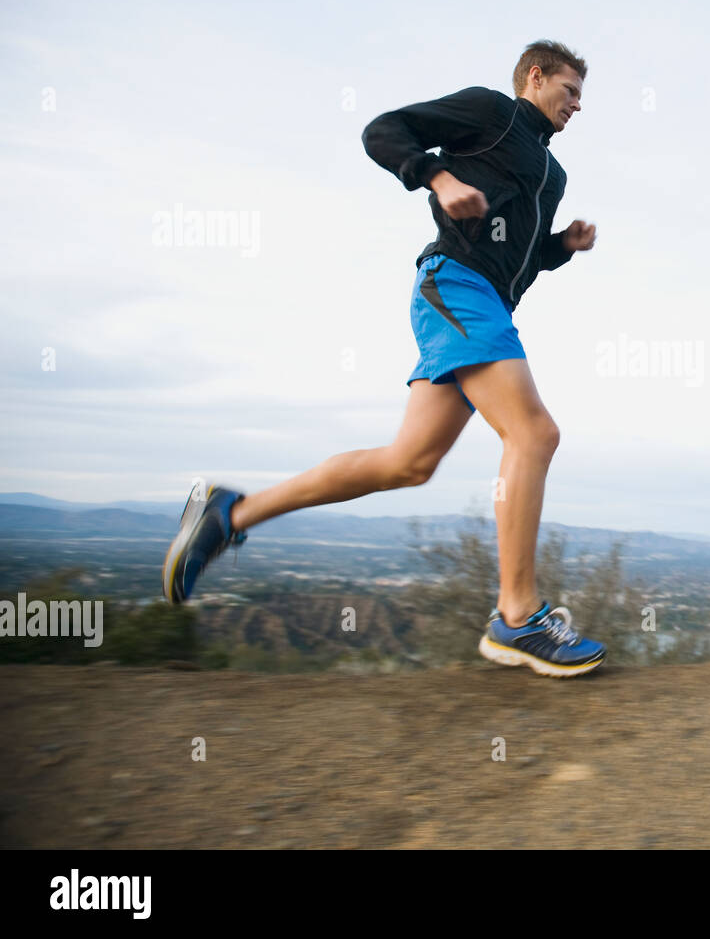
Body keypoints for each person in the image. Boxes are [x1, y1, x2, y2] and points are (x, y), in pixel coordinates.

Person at [161, 40, 606, 677]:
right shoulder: (491, 113)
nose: (578, 105)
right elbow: (383, 131)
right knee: (534, 433)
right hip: (456, 286)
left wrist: (562, 245)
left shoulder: (550, 174)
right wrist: (437, 175)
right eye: (570, 90)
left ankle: (230, 513)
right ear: (535, 77)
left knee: (409, 462)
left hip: (487, 306)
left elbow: (524, 256)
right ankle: (516, 616)